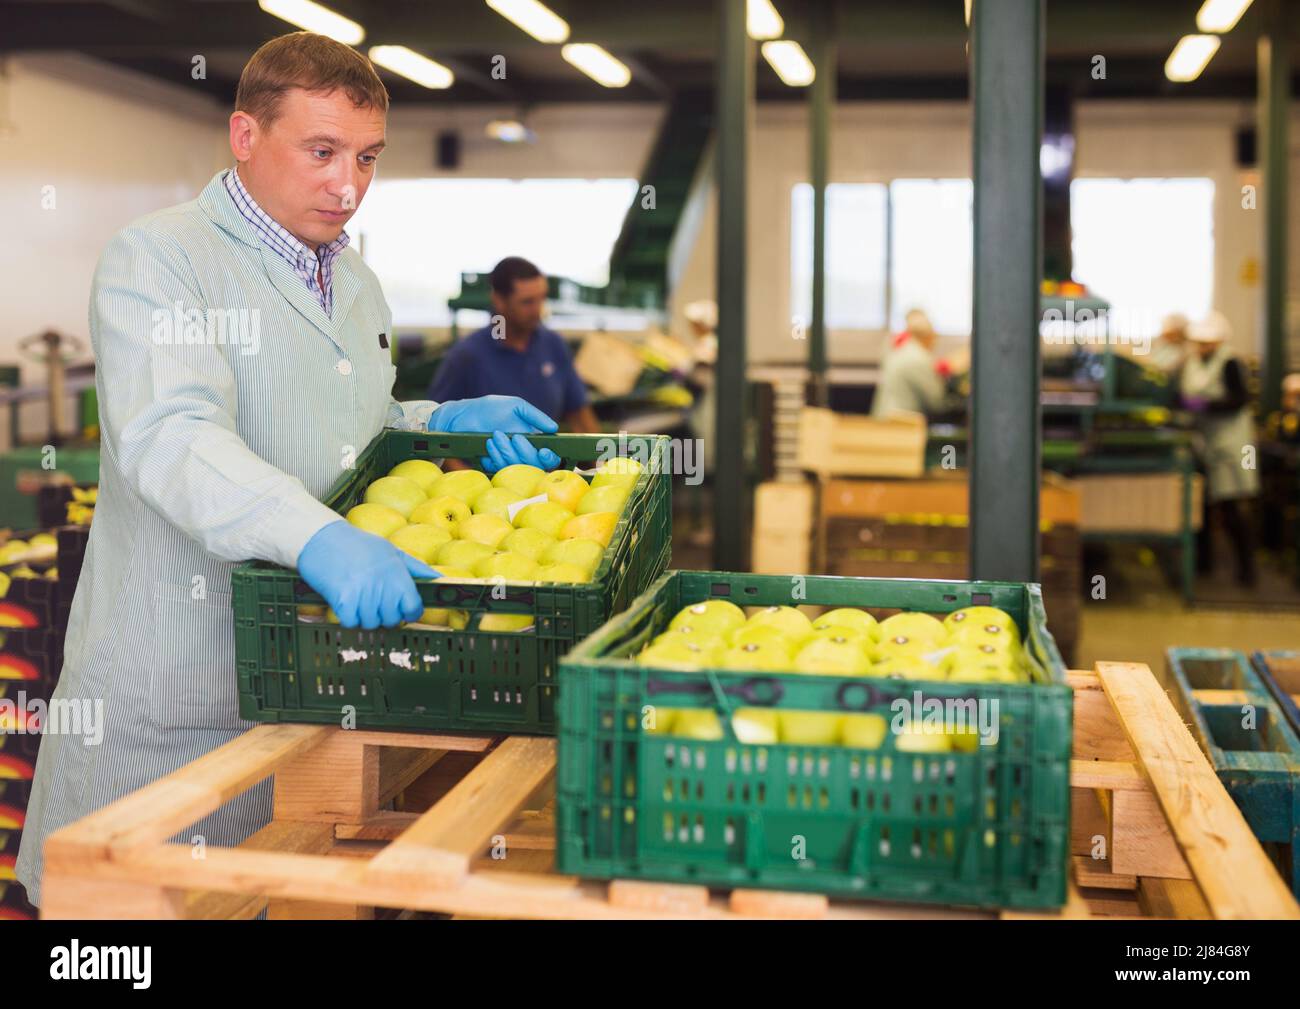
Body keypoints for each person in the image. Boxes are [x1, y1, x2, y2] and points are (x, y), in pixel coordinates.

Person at [15, 32, 562, 909]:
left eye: (367, 158)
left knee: (264, 898)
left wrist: (436, 421)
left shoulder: (354, 281)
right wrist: (316, 535)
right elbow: (171, 433)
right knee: (128, 939)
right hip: (171, 706)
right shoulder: (161, 259)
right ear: (244, 136)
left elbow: (348, 425)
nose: (348, 184)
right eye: (321, 151)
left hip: (306, 696)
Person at [428, 257, 600, 433]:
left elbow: (580, 416)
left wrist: (605, 459)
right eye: (527, 302)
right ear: (499, 301)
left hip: (545, 460)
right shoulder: (466, 356)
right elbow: (435, 430)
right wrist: (461, 463)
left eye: (541, 299)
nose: (537, 310)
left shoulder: (554, 346)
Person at [1180, 310, 1259, 586]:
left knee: (1232, 506)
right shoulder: (1193, 362)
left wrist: (1206, 406)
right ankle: (1203, 565)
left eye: (1207, 343)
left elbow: (1239, 400)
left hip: (1231, 444)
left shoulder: (1230, 363)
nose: (1202, 347)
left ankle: (1248, 570)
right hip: (1204, 442)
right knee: (1201, 503)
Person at [871, 308, 950, 418]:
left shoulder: (898, 351)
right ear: (929, 336)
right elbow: (936, 403)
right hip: (900, 425)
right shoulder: (920, 359)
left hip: (882, 418)